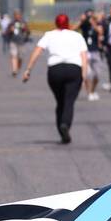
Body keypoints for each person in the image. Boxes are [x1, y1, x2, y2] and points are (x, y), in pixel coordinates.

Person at [22, 14, 88, 144]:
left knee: (60, 101)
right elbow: (84, 57)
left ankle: (61, 130)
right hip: (73, 69)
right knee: (69, 101)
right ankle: (65, 125)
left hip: (55, 70)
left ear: (56, 23)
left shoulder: (49, 35)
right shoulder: (77, 36)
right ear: (68, 23)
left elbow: (37, 51)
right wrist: (84, 76)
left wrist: (28, 70)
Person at [78, 9, 102, 101]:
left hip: (95, 51)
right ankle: (89, 92)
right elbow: (72, 28)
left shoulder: (98, 25)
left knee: (97, 74)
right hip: (85, 52)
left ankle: (93, 90)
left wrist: (93, 23)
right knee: (87, 74)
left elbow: (100, 32)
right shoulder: (84, 25)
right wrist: (81, 20)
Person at [4, 10, 29, 76]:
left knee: (20, 57)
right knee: (14, 55)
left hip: (21, 42)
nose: (17, 16)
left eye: (18, 15)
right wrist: (10, 30)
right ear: (14, 16)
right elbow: (6, 32)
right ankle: (14, 70)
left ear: (20, 15)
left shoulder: (23, 22)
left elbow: (28, 32)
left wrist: (24, 29)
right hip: (13, 41)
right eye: (16, 15)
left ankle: (17, 68)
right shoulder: (11, 23)